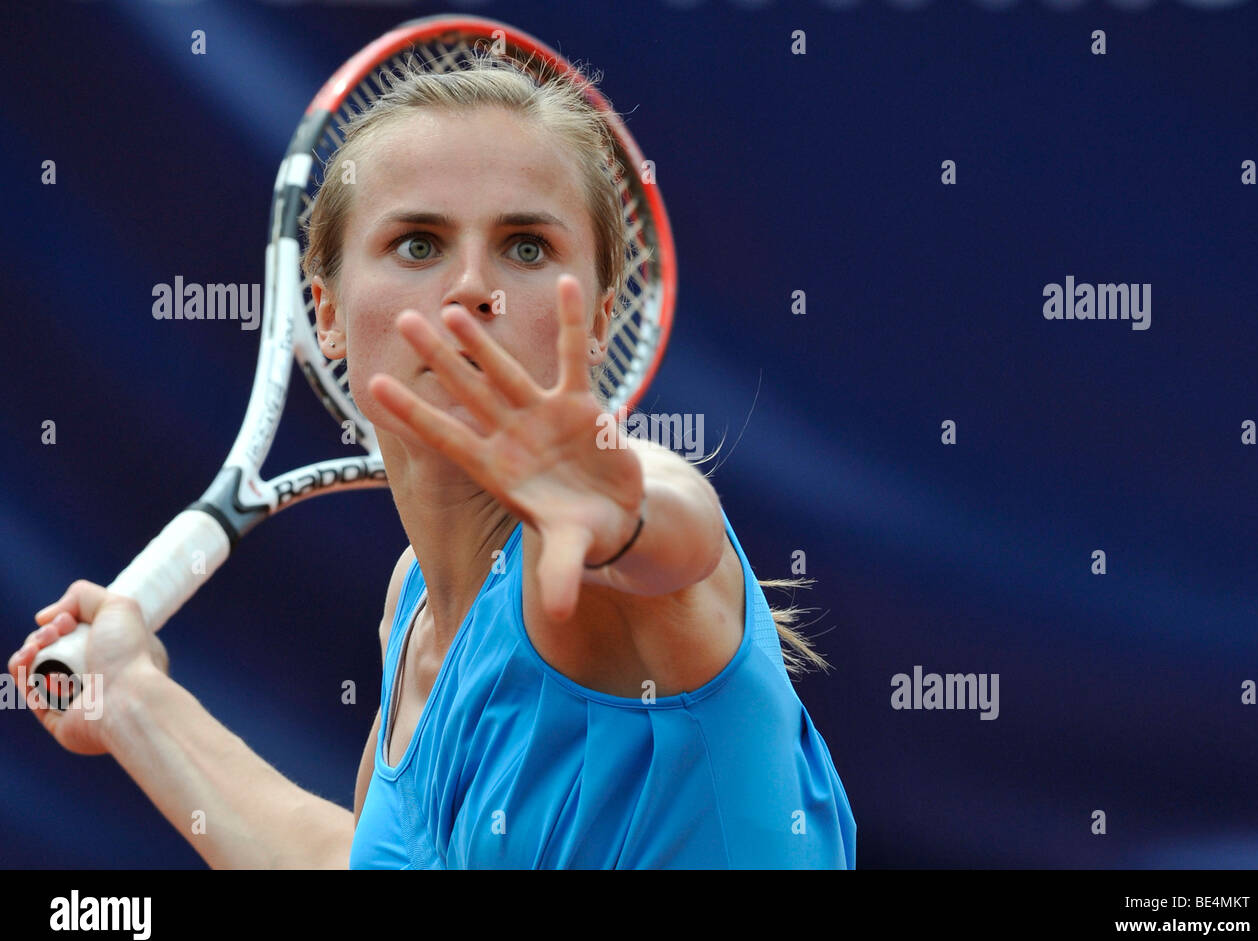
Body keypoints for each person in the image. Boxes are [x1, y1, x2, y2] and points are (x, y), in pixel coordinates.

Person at [10, 53, 855, 869]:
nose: (472, 287)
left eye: (527, 247)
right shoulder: (410, 608)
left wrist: (621, 521)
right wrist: (129, 698)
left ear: (600, 321)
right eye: (418, 245)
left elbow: (677, 528)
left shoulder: (611, 565)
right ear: (327, 313)